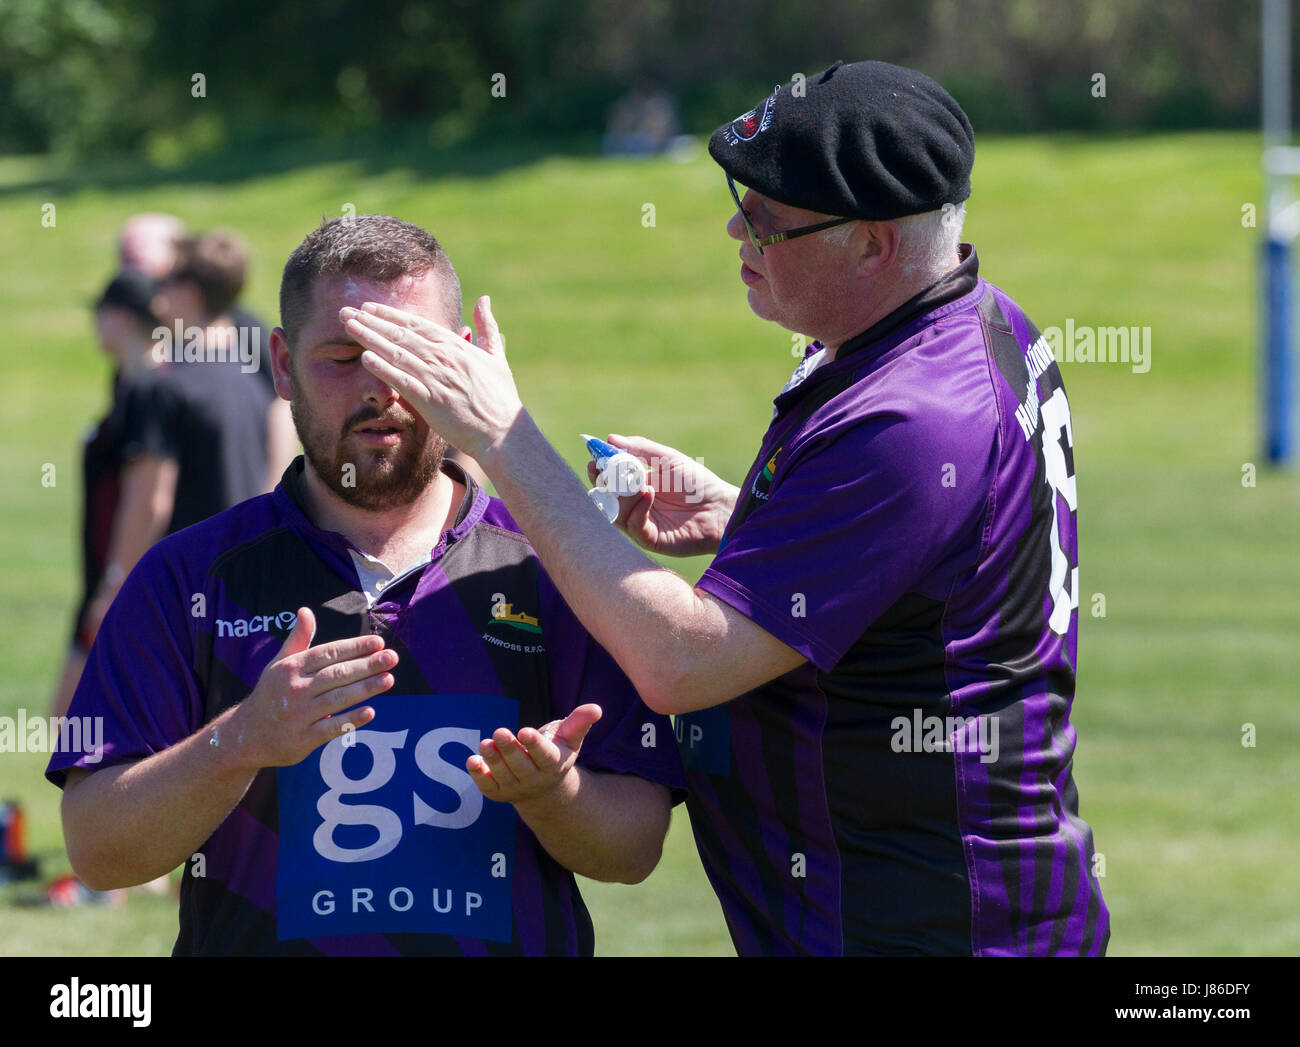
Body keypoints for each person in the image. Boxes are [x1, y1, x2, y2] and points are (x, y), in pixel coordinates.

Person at [341, 60, 1109, 956]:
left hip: (928, 927)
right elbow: (934, 552)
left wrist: (504, 436)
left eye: (771, 220)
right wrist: (743, 517)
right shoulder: (972, 321)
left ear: (875, 244)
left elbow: (681, 663)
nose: (736, 228)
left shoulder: (913, 420)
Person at [47, 214, 683, 956]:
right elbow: (96, 849)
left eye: (411, 355)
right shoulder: (188, 576)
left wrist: (554, 796)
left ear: (468, 360)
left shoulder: (556, 564)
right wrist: (239, 740)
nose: (380, 387)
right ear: (281, 365)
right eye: (343, 357)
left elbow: (637, 847)